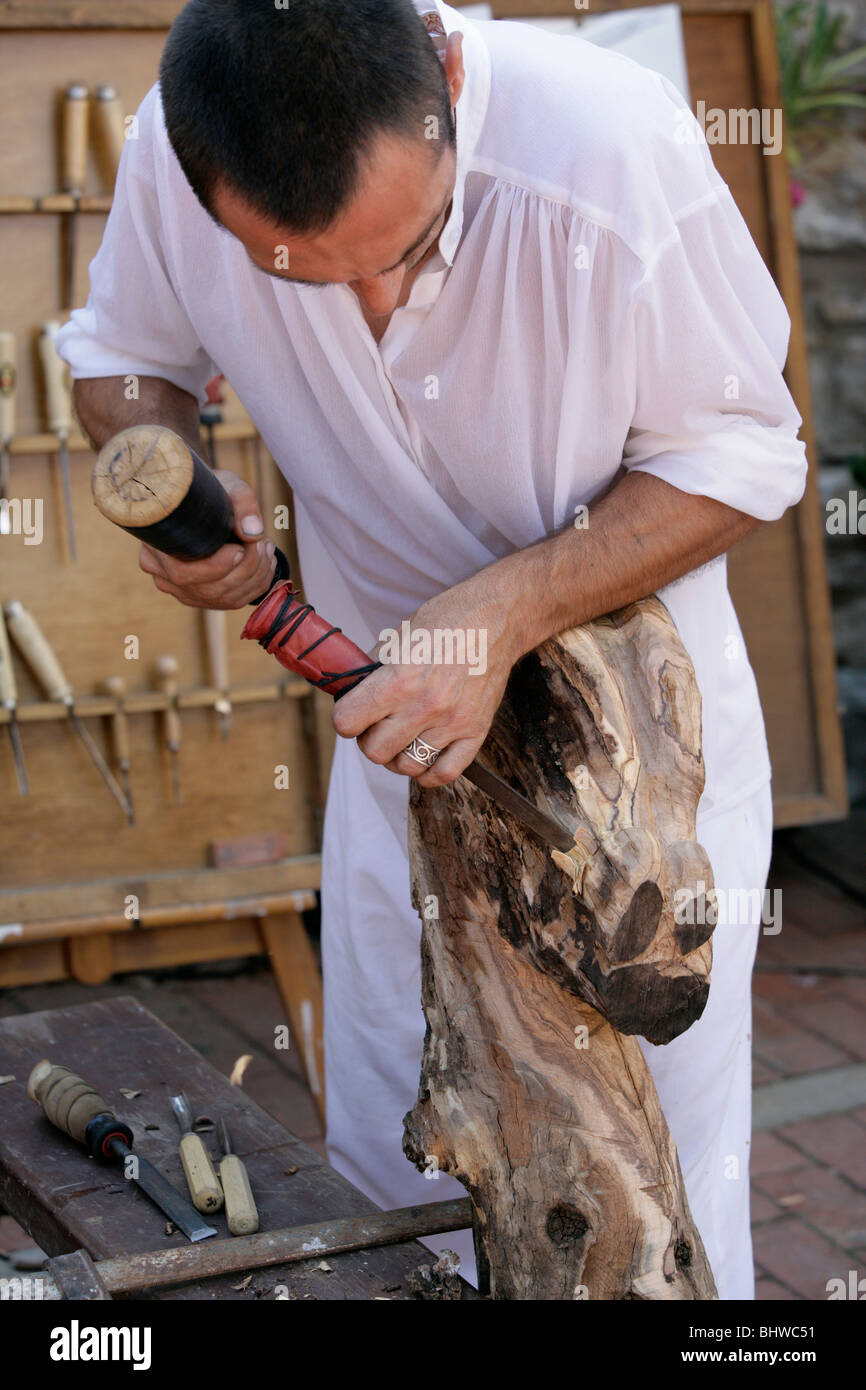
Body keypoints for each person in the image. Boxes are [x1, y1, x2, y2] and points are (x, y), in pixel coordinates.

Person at [58, 0, 807, 1299]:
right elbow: (121, 359)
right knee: (408, 1166)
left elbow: (743, 457)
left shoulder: (609, 149)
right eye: (306, 274)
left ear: (447, 74)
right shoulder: (178, 157)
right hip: (397, 752)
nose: (374, 300)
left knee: (642, 1199)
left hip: (632, 762)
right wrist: (176, 480)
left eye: (408, 247)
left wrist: (501, 612)